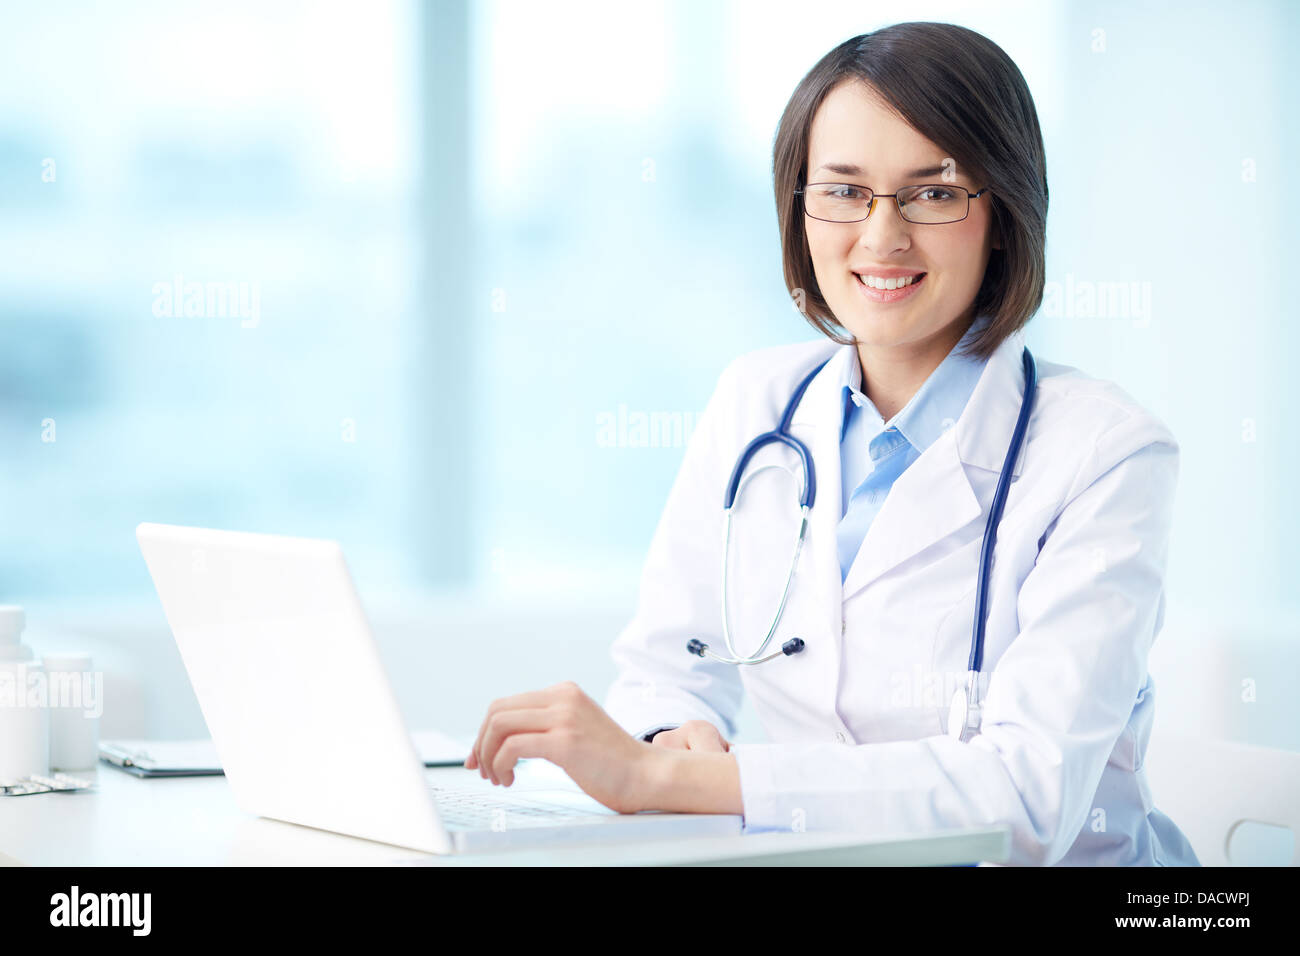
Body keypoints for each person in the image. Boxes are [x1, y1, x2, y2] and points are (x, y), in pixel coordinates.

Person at [465, 21, 1200, 866]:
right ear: (800, 207)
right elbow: (668, 665)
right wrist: (673, 733)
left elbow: (1025, 801)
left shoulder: (1106, 452)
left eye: (933, 193)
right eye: (844, 191)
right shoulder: (756, 403)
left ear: (1003, 215)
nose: (881, 236)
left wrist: (666, 783)